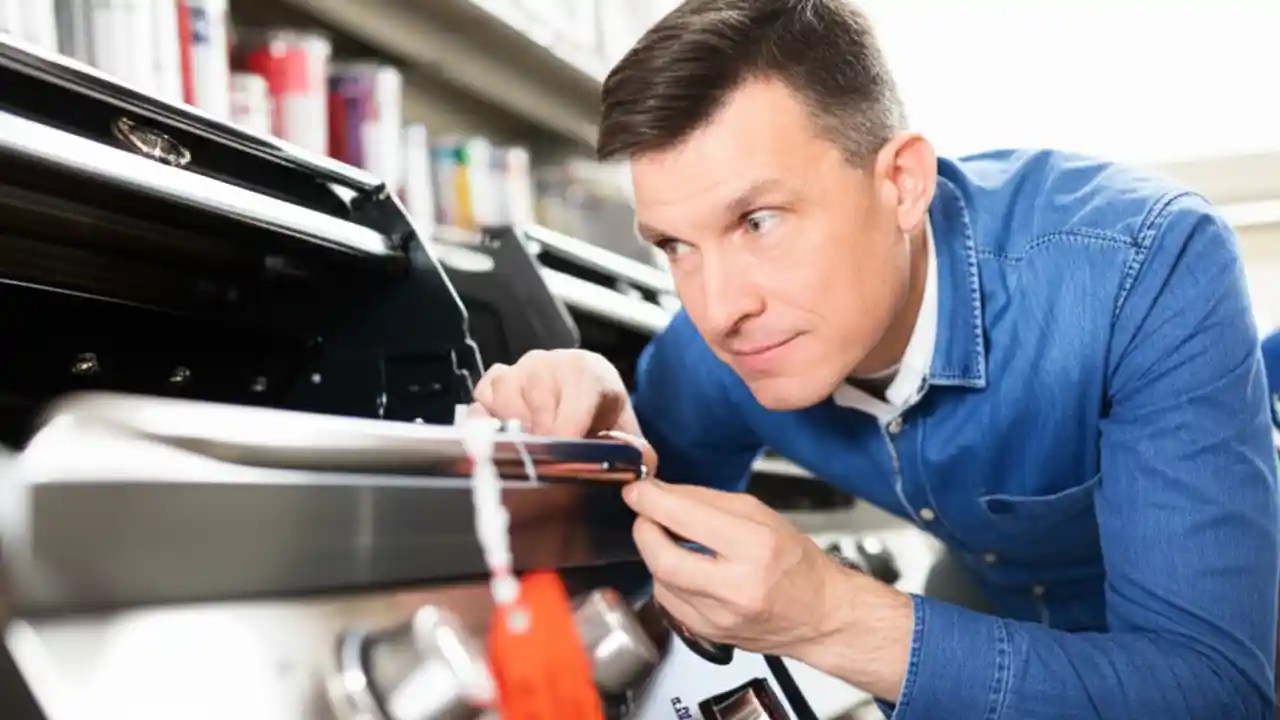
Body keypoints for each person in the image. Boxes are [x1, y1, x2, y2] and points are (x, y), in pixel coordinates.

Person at [469, 0, 1280, 716]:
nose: (719, 309)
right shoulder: (711, 352)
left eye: (758, 221)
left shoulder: (1142, 270)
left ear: (902, 183)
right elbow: (641, 550)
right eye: (677, 245)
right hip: (990, 605)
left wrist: (829, 615)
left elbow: (1213, 692)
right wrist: (588, 446)